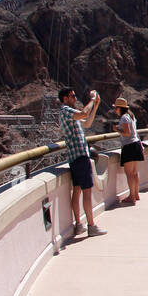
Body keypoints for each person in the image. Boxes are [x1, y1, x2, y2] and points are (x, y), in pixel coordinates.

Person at [59, 87, 106, 236]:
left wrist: (96, 105)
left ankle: (79, 225)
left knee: (78, 190)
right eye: (72, 96)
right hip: (80, 156)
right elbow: (84, 113)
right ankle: (91, 226)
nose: (75, 98)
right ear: (65, 98)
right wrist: (92, 100)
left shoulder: (71, 115)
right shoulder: (66, 111)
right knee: (86, 191)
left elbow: (86, 123)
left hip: (75, 158)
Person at [114, 97, 143, 204]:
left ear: (119, 108)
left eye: (116, 108)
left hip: (129, 146)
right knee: (134, 172)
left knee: (129, 173)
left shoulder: (124, 118)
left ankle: (131, 196)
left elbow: (126, 132)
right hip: (136, 145)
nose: (115, 110)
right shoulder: (131, 116)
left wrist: (117, 129)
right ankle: (136, 194)